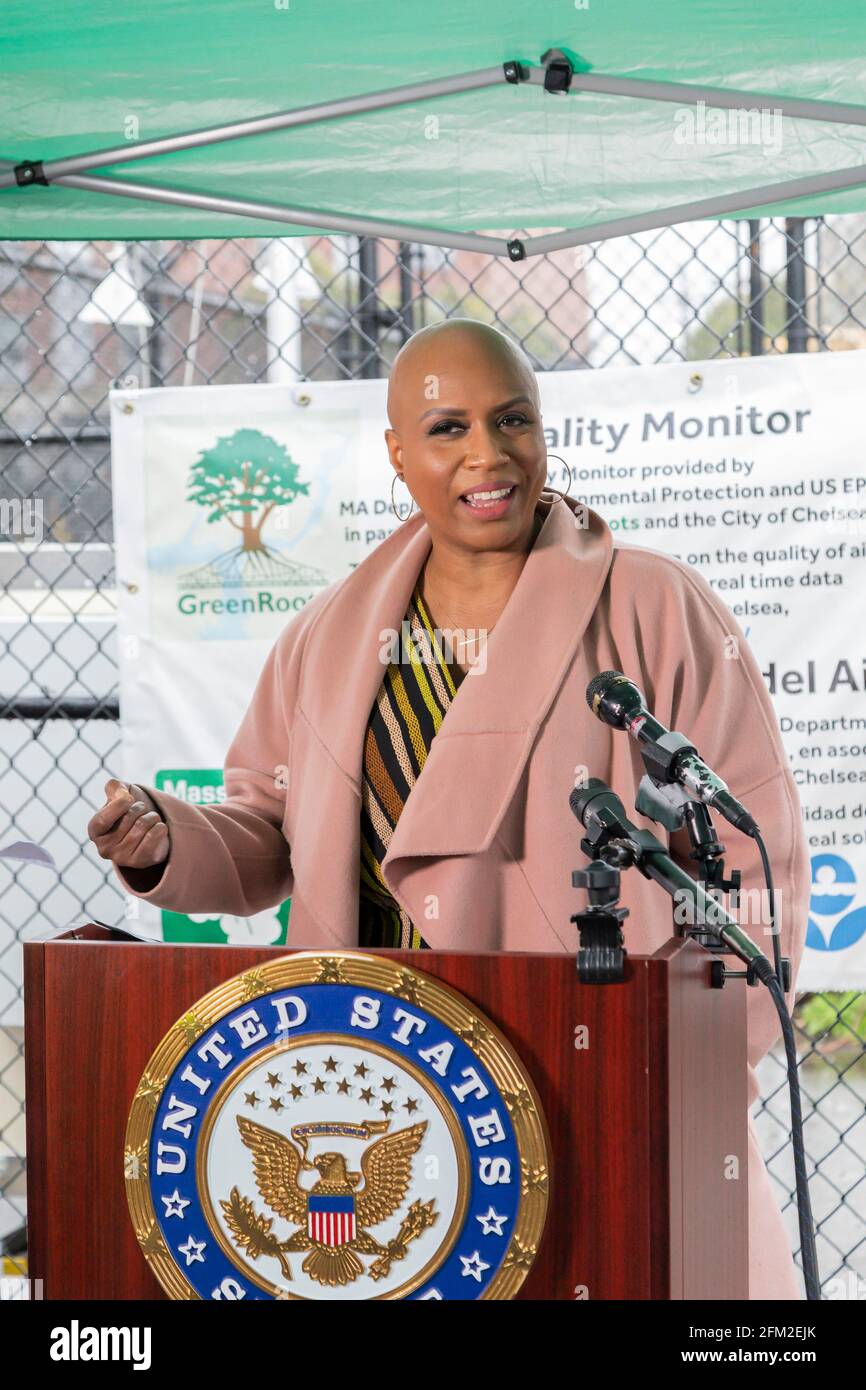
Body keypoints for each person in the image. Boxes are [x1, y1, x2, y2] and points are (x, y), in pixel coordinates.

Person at [87, 318, 809, 1299]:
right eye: (446, 426)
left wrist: (687, 1071)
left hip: (590, 1080)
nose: (487, 452)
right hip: (387, 1083)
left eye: (512, 419)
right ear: (395, 451)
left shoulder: (654, 607)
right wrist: (169, 839)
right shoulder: (326, 635)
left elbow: (745, 863)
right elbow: (266, 833)